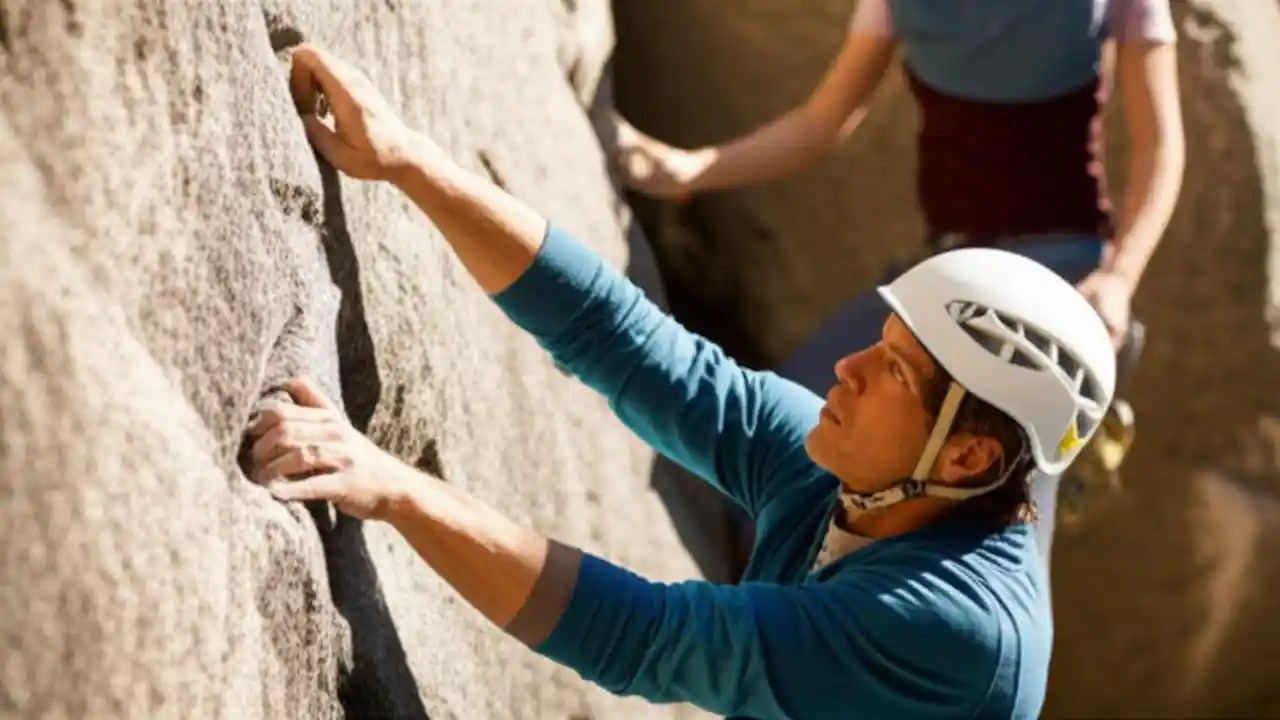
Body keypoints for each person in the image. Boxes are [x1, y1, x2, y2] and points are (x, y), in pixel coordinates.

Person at [249, 45, 1117, 719]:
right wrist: (408, 160)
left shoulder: (951, 632)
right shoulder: (857, 468)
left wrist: (393, 487)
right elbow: (628, 341)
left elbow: (642, 636)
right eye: (879, 342)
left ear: (965, 457)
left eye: (892, 370)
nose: (846, 369)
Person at [616, 0, 1185, 565]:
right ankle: (765, 624)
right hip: (950, 276)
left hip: (1054, 286)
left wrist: (1119, 278)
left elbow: (1161, 145)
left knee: (1009, 523)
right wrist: (694, 170)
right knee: (780, 432)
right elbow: (822, 121)